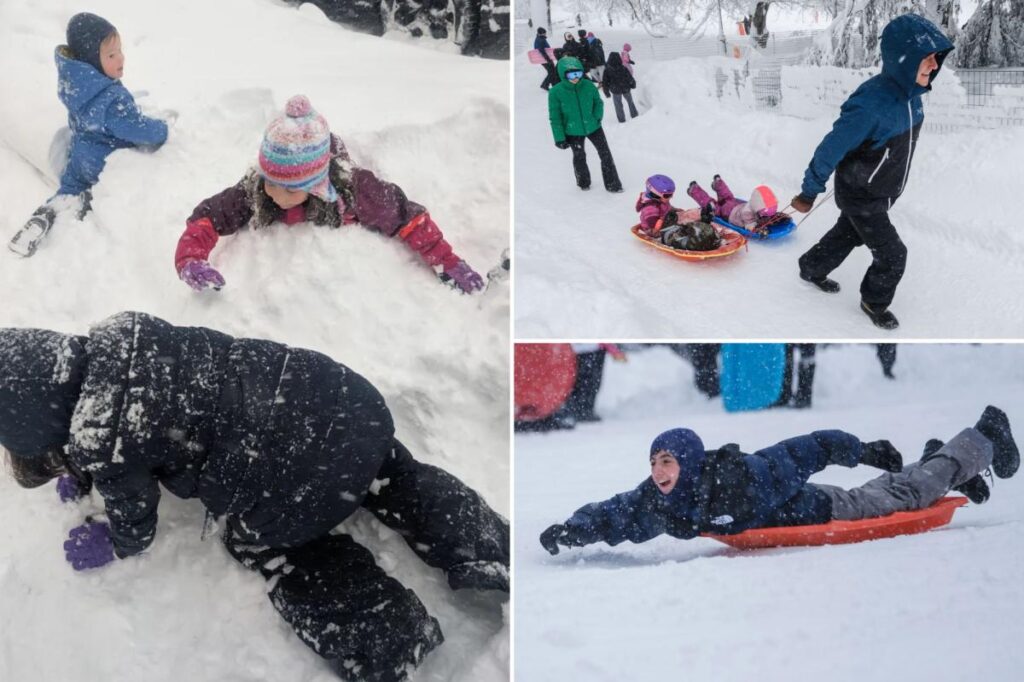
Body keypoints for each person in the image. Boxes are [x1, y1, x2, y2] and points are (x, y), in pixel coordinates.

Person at [0, 312, 508, 682]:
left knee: (263, 543)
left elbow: (137, 518)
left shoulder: (105, 441)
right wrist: (84, 464)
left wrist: (116, 542)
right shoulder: (129, 335)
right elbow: (133, 401)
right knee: (392, 473)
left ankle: (387, 634)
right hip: (344, 401)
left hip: (302, 477)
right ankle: (487, 544)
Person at [539, 406, 1019, 554]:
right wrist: (571, 529)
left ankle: (982, 438)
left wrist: (862, 451)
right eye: (653, 463)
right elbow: (617, 513)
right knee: (899, 488)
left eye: (667, 461)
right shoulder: (660, 498)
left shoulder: (738, 478)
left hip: (827, 508)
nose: (658, 472)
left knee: (906, 496)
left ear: (688, 460)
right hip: (802, 508)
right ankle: (938, 460)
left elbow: (803, 449)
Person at [174, 95, 484, 294]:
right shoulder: (255, 189)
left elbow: (408, 218)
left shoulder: (355, 192)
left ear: (315, 186)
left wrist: (448, 263)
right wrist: (191, 259)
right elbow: (208, 217)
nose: (276, 195)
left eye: (291, 188)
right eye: (272, 182)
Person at [790, 14, 954, 331]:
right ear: (903, 59)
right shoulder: (871, 104)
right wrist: (810, 191)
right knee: (893, 255)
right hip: (861, 194)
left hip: (878, 192)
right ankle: (874, 302)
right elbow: (831, 147)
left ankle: (811, 267)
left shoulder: (913, 97)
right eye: (927, 58)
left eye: (936, 58)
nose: (934, 66)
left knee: (847, 234)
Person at [8, 12, 169, 257]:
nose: (121, 58)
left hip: (80, 155)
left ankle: (49, 211)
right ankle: (86, 202)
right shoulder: (112, 100)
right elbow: (138, 129)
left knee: (68, 187)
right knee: (95, 189)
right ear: (92, 60)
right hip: (101, 162)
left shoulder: (76, 85)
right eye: (111, 55)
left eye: (120, 50)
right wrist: (162, 129)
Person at [548, 57, 623, 193]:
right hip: (573, 131)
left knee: (605, 154)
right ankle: (583, 182)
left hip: (594, 127)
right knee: (579, 156)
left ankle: (613, 184)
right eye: (571, 75)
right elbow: (555, 117)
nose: (575, 78)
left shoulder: (588, 86)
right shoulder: (556, 92)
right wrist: (559, 138)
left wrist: (597, 118)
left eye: (578, 74)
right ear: (563, 74)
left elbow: (598, 103)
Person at [636, 175, 720, 251]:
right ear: (655, 194)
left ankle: (704, 213)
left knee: (686, 214)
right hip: (658, 230)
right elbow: (653, 224)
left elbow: (666, 208)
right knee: (682, 224)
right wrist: (667, 221)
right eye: (667, 195)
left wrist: (674, 210)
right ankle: (695, 236)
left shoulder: (660, 199)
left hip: (667, 219)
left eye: (671, 194)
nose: (671, 197)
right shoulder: (649, 208)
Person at [687, 175, 780, 235]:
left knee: (728, 197)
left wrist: (777, 217)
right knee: (716, 209)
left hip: (737, 204)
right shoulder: (747, 213)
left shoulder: (754, 204)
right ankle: (695, 190)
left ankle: (718, 183)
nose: (768, 218)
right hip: (729, 213)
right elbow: (750, 225)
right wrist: (759, 230)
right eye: (765, 216)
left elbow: (768, 213)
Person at [563, 343, 626, 423]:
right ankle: (584, 411)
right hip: (592, 351)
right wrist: (614, 350)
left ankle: (576, 410)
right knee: (591, 383)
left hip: (575, 350)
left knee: (578, 383)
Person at [601, 52, 638, 123]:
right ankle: (634, 114)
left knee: (618, 105)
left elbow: (605, 82)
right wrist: (633, 84)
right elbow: (629, 78)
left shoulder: (607, 70)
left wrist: (606, 92)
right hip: (626, 88)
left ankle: (621, 120)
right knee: (630, 102)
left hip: (616, 90)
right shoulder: (623, 68)